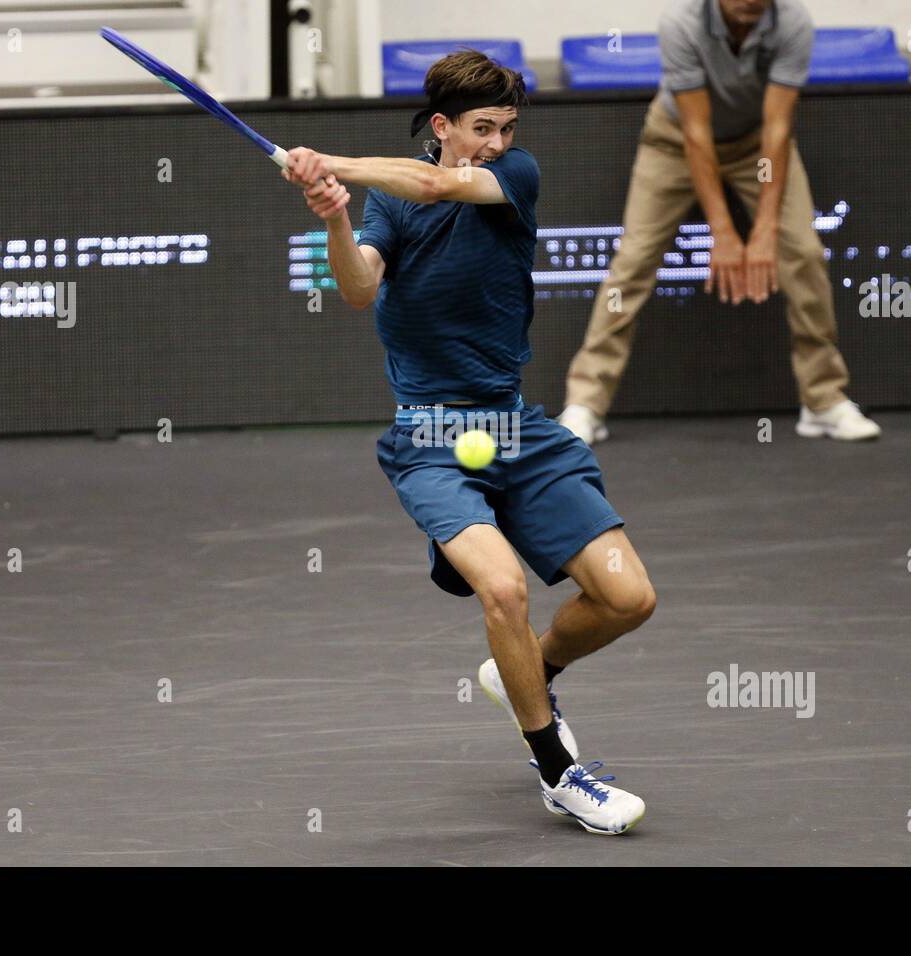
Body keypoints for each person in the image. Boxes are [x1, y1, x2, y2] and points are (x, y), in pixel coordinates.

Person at [281, 50, 655, 834]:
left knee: (628, 599)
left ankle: (528, 667)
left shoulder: (513, 176)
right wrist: (337, 215)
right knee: (505, 590)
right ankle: (560, 772)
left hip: (520, 429)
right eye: (482, 128)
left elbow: (438, 183)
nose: (497, 141)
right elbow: (356, 288)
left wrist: (330, 159)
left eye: (506, 127)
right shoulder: (388, 203)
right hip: (430, 438)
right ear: (442, 125)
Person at [560, 0, 881, 444]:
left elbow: (777, 125)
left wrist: (765, 229)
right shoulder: (680, 24)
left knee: (803, 252)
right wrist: (725, 233)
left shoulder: (793, 22)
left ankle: (823, 401)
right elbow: (696, 134)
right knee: (632, 261)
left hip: (757, 146)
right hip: (673, 141)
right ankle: (585, 403)